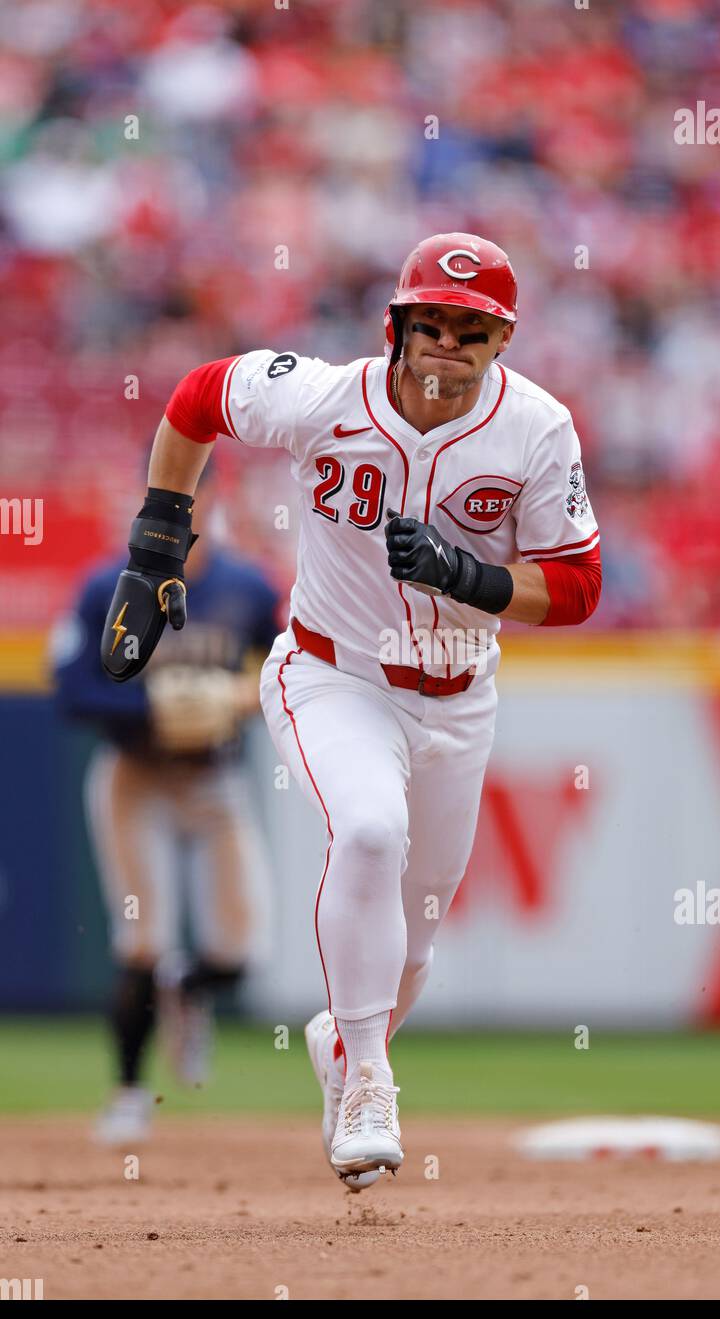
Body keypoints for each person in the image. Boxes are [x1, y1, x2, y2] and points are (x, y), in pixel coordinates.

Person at [98, 233, 602, 1186]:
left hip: (459, 691)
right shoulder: (329, 396)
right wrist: (158, 540)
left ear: (503, 342)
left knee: (417, 941)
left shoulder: (538, 427)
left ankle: (347, 1041)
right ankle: (370, 1076)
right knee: (369, 829)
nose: (448, 343)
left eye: (472, 329)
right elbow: (198, 397)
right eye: (432, 323)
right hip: (334, 671)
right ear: (397, 326)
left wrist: (470, 576)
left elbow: (578, 587)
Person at [54, 471, 280, 1144]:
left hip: (214, 780)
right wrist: (152, 706)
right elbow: (70, 691)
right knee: (141, 941)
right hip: (135, 775)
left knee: (242, 950)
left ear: (210, 504)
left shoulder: (248, 588)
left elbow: (294, 664)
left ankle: (193, 986)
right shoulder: (106, 588)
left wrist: (244, 698)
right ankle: (128, 1094)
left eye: (186, 499)